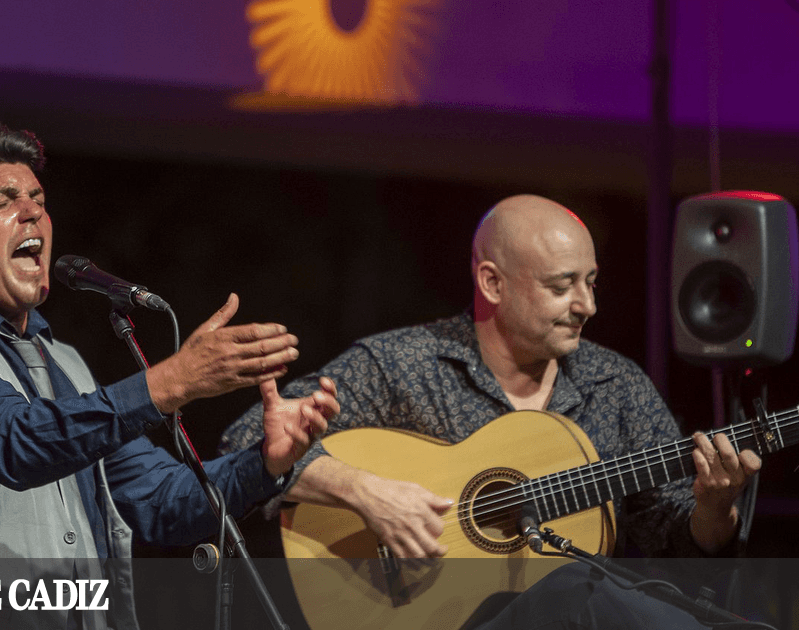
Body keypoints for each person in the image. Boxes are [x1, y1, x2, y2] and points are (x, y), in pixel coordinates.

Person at [0, 119, 339, 630]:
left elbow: (157, 499)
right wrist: (171, 382)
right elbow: (17, 442)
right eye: (1, 202)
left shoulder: (62, 360)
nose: (32, 212)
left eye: (38, 199)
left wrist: (265, 462)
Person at [219, 194, 763, 628]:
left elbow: (681, 561)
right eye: (562, 286)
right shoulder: (400, 365)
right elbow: (246, 444)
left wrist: (714, 510)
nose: (587, 306)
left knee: (585, 593)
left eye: (591, 282)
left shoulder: (615, 385)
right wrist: (365, 492)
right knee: (574, 588)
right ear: (492, 283)